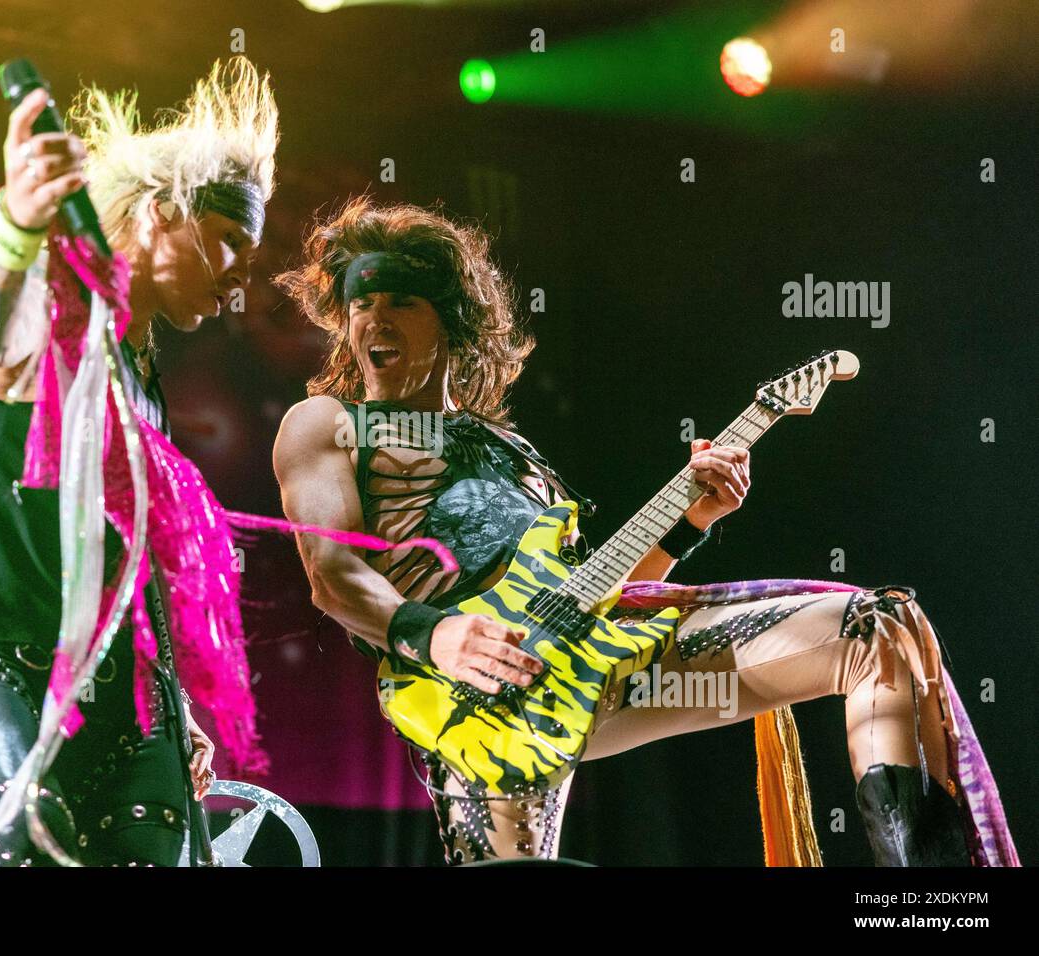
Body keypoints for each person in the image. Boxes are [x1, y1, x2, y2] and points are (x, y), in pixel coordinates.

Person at [271, 197, 1016, 866]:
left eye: (400, 301)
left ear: (451, 322)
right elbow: (332, 575)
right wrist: (438, 635)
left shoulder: (511, 452)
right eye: (359, 303)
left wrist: (693, 520)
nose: (374, 319)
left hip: (607, 659)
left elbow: (598, 589)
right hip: (477, 706)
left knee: (876, 628)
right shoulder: (325, 424)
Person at [0, 57, 278, 866]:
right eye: (230, 238)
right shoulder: (42, 308)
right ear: (163, 212)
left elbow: (128, 563)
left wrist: (173, 698)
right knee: (24, 841)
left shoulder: (145, 381)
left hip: (122, 700)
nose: (244, 270)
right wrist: (14, 227)